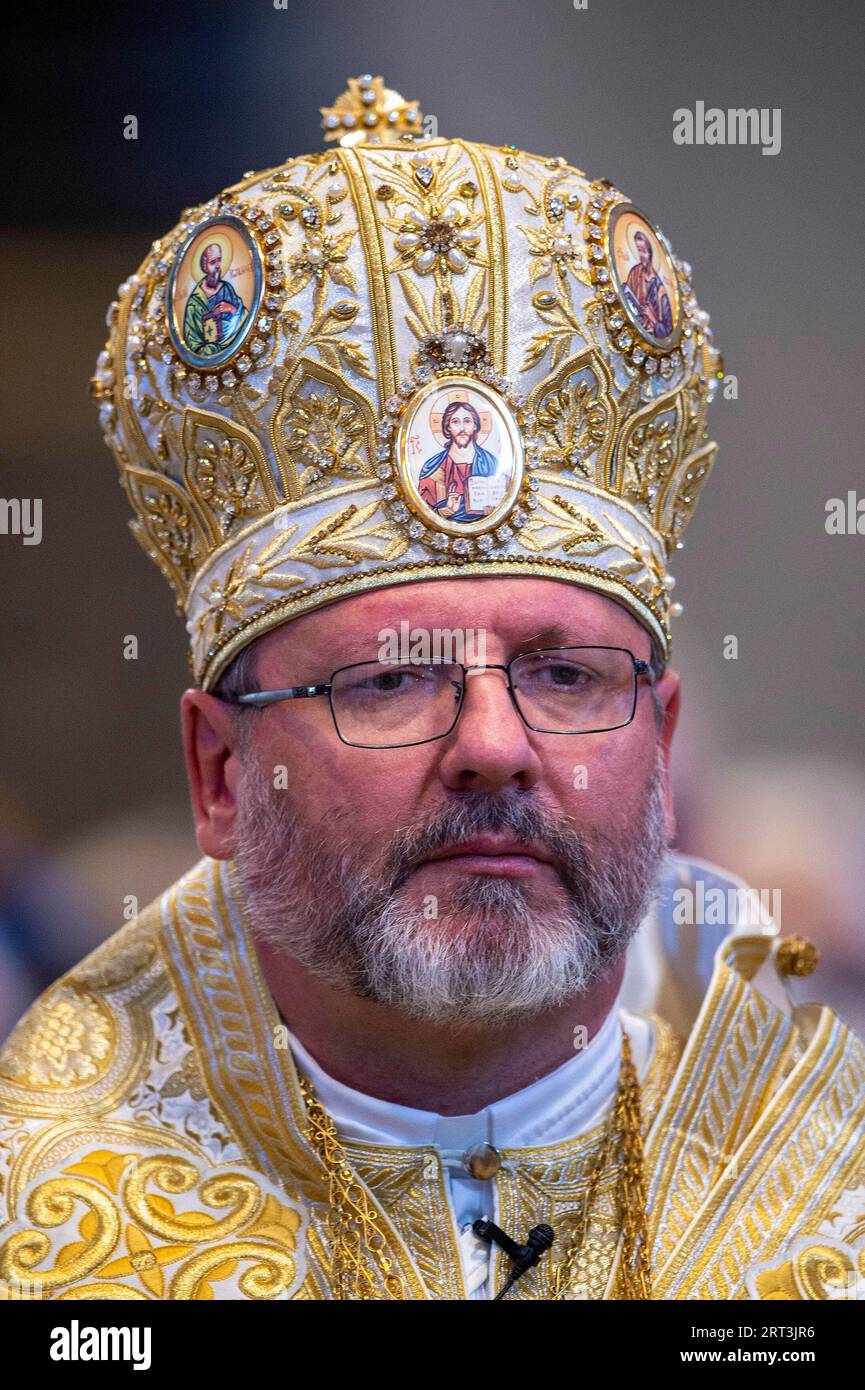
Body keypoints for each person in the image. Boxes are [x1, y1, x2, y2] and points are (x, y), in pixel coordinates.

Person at [1, 76, 862, 1302]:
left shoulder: (837, 1194)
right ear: (219, 774)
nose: (496, 745)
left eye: (565, 674)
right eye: (393, 678)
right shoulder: (39, 1236)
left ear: (663, 751)